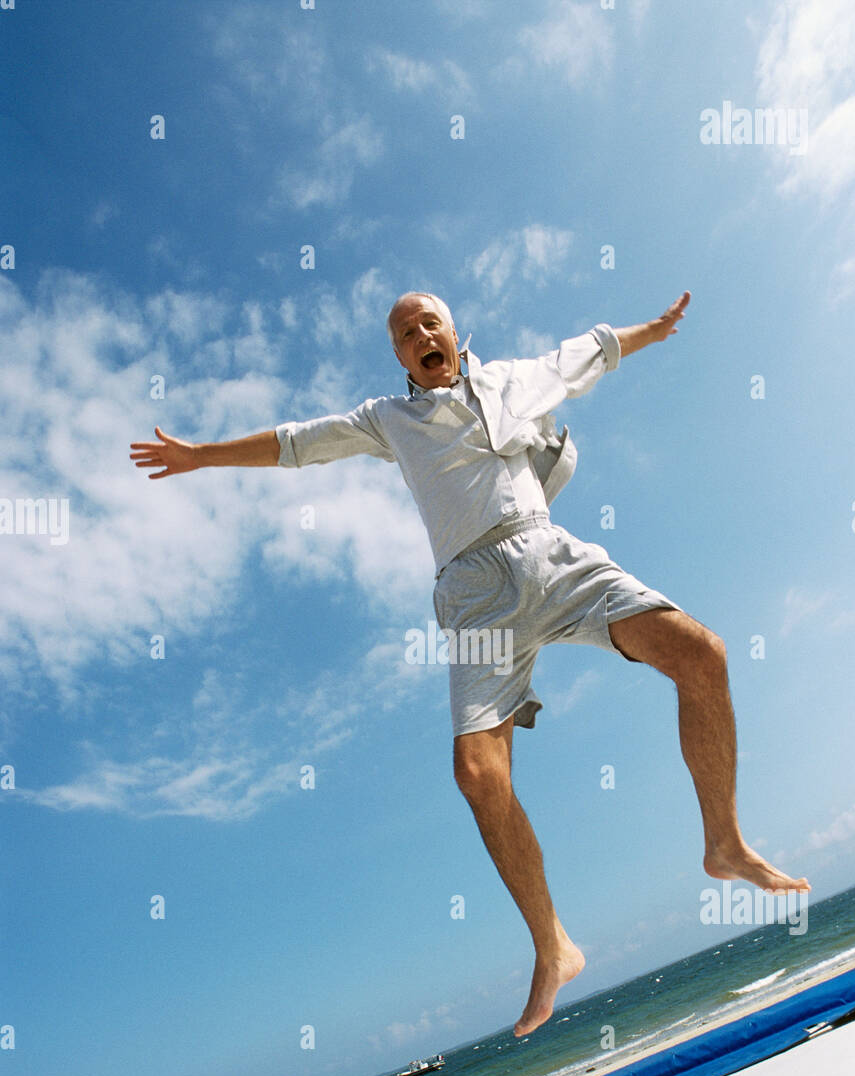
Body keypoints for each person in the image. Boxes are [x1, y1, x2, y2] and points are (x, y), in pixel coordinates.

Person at [131, 290, 810, 1037]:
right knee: (477, 775)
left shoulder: (514, 379)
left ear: (455, 335)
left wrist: (648, 330)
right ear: (398, 356)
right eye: (404, 332)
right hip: (475, 595)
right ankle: (552, 944)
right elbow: (296, 442)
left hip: (551, 556)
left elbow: (591, 350)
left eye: (429, 323)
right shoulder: (385, 419)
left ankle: (723, 842)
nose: (419, 335)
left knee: (701, 654)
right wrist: (200, 455)